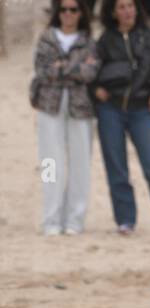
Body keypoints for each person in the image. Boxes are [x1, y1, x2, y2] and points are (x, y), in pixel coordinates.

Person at [93, 0, 150, 235]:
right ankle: (125, 221)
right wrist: (96, 89)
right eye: (122, 7)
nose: (127, 11)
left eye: (131, 6)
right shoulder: (105, 41)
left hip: (141, 110)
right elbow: (90, 71)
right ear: (113, 12)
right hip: (110, 110)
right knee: (117, 168)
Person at [31, 0, 99, 236]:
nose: (68, 14)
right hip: (50, 108)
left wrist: (60, 68)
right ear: (57, 12)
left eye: (73, 9)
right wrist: (75, 68)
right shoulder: (46, 38)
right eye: (64, 9)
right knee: (50, 164)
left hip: (80, 109)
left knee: (80, 165)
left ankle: (74, 221)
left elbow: (91, 73)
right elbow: (42, 70)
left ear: (81, 13)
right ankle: (51, 219)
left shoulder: (88, 41)